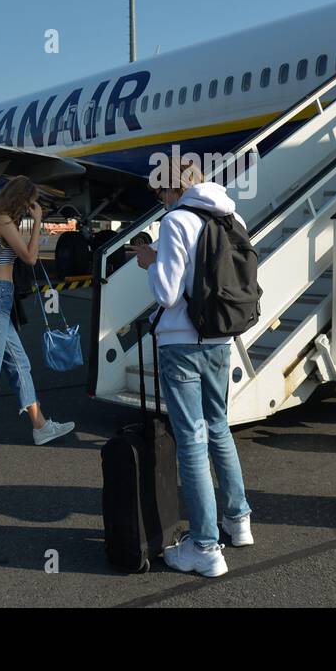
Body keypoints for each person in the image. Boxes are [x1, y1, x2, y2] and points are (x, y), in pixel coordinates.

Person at [132, 163, 252, 578]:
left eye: (159, 193)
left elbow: (166, 293)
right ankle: (238, 520)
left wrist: (148, 261)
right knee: (218, 426)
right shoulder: (232, 216)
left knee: (191, 439)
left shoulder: (176, 221)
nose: (160, 201)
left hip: (181, 342)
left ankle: (204, 547)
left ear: (171, 190)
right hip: (221, 337)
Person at [0, 176, 75, 458]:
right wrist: (38, 221)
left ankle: (40, 425)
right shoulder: (4, 221)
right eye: (31, 202)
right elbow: (30, 258)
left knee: (19, 363)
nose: (33, 207)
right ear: (22, 199)